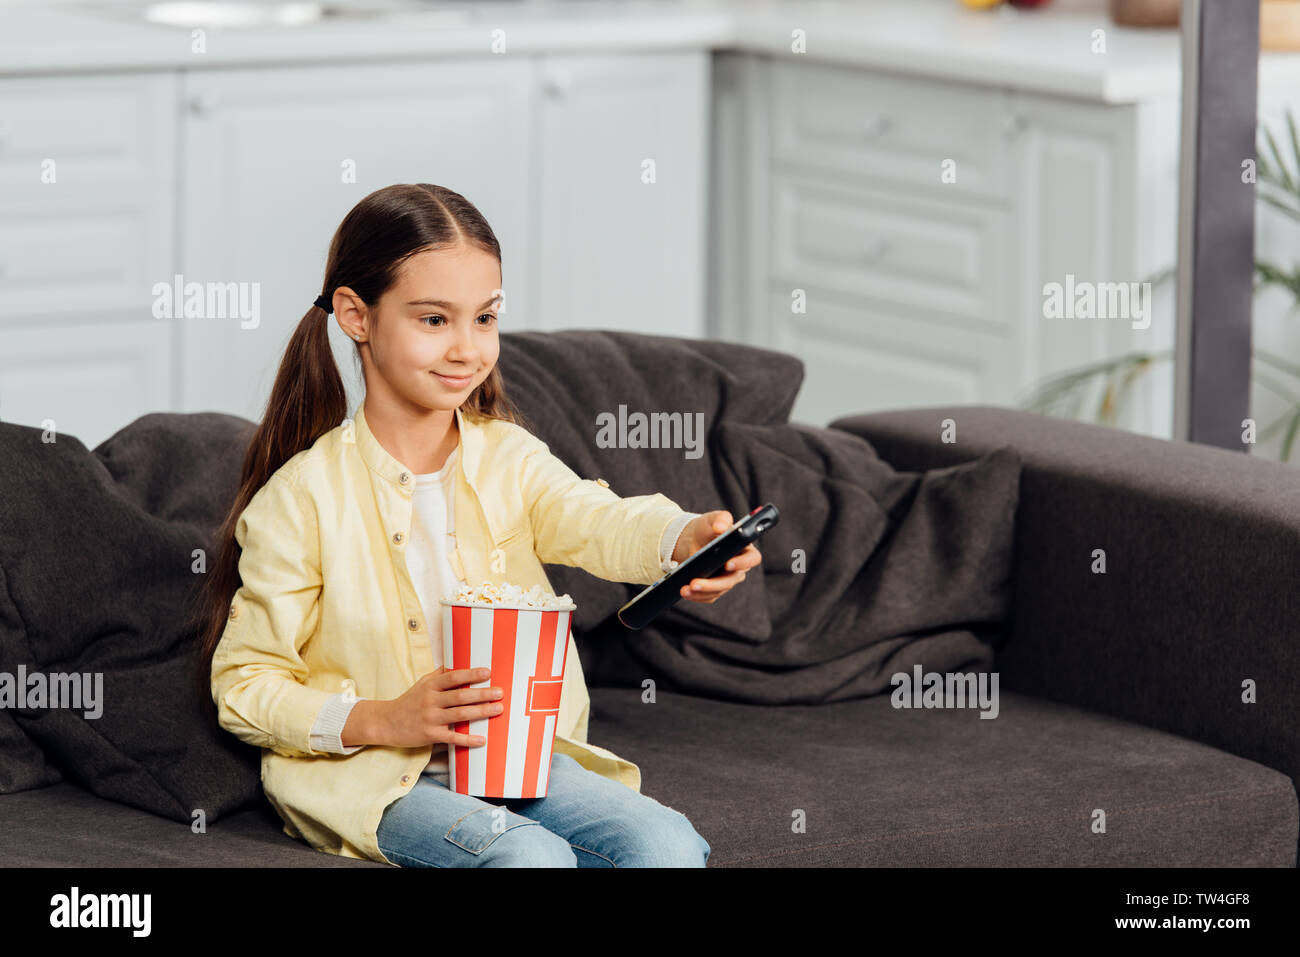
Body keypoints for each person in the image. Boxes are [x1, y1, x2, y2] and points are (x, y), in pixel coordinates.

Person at [192, 183, 761, 867]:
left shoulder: (509, 457)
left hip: (516, 760)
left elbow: (594, 518)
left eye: (484, 318)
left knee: (666, 844)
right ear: (355, 315)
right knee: (528, 859)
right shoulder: (301, 498)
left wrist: (682, 538)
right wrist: (384, 717)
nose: (467, 348)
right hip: (374, 777)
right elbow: (245, 684)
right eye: (434, 320)